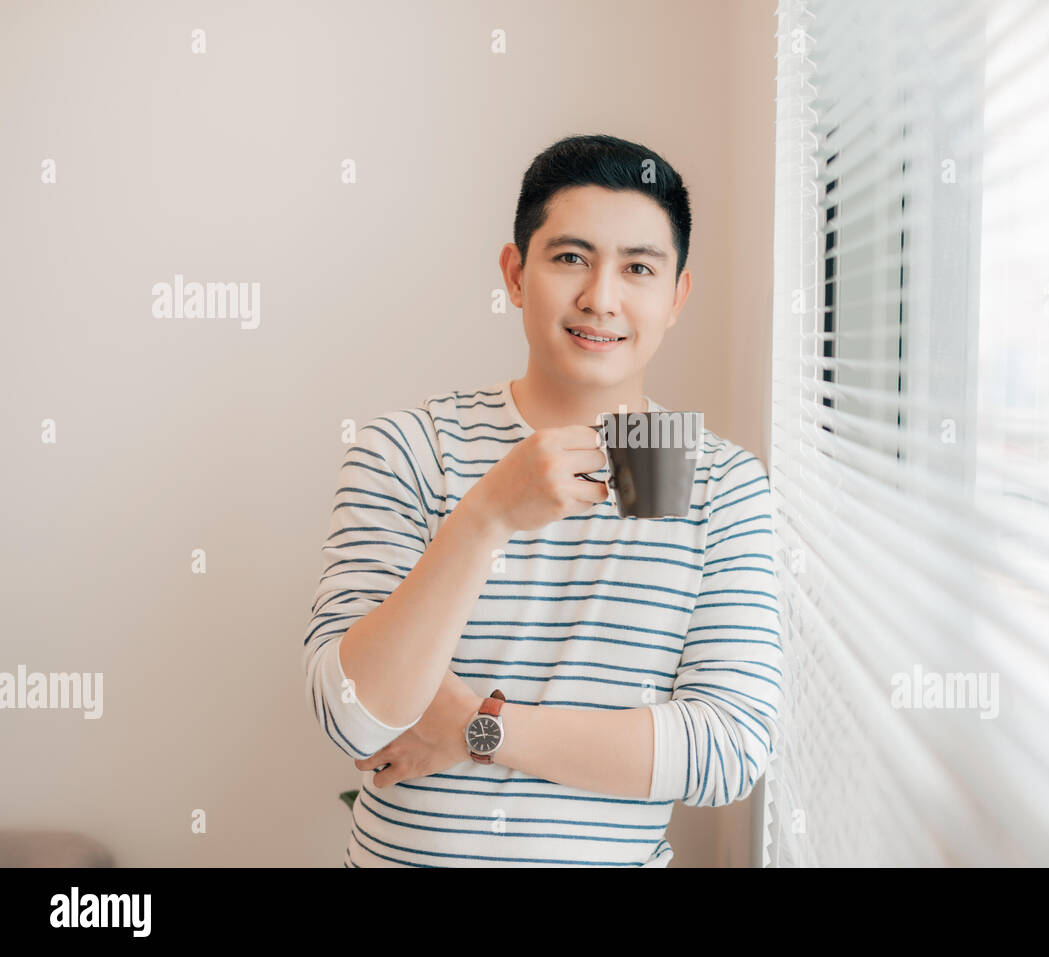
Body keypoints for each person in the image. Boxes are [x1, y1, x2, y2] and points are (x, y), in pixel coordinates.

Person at [302, 133, 784, 867]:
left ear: (677, 296)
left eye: (639, 268)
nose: (602, 297)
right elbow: (352, 713)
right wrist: (486, 515)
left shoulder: (718, 484)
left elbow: (727, 748)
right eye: (570, 258)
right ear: (516, 273)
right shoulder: (409, 449)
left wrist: (477, 728)